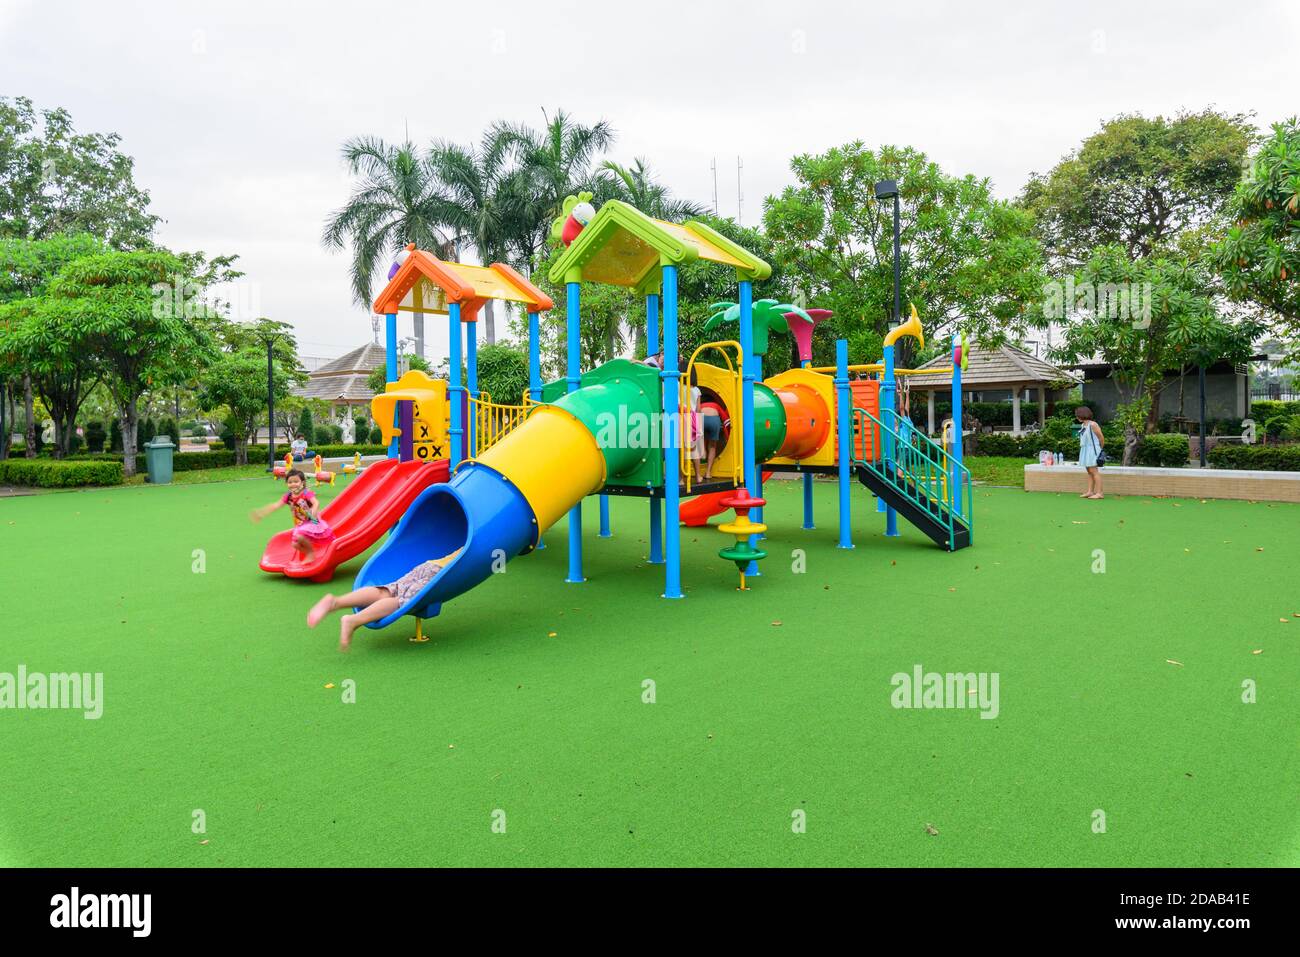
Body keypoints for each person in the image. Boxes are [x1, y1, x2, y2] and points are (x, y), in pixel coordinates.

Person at [307, 549, 463, 651]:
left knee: (389, 590)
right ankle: (353, 620)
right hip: (439, 572)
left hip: (429, 564)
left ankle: (336, 602)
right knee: (400, 602)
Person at [250, 469, 335, 562]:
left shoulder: (306, 493)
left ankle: (311, 553)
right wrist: (261, 513)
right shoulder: (288, 496)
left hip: (312, 520)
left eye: (296, 481)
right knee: (295, 544)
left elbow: (316, 503)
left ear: (302, 482)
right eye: (290, 482)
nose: (293, 484)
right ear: (287, 483)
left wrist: (313, 514)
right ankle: (308, 552)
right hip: (300, 524)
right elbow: (276, 505)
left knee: (300, 536)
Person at [1076, 406, 1105, 499]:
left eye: (1077, 415)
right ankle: (1090, 491)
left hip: (1093, 450)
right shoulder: (1083, 425)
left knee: (1094, 471)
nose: (1077, 417)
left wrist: (1100, 449)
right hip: (1085, 449)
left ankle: (1100, 493)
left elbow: (1101, 437)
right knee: (1089, 471)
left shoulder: (1093, 424)